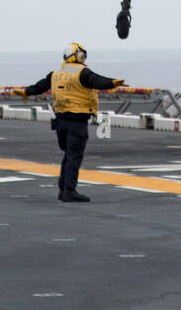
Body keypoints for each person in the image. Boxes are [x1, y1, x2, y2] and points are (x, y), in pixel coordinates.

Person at [18, 43, 124, 203]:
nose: (84, 58)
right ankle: (69, 191)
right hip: (77, 121)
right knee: (74, 156)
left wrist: (25, 92)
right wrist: (114, 82)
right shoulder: (82, 72)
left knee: (68, 154)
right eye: (83, 55)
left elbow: (40, 86)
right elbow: (97, 81)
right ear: (78, 55)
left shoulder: (56, 73)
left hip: (60, 121)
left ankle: (63, 189)